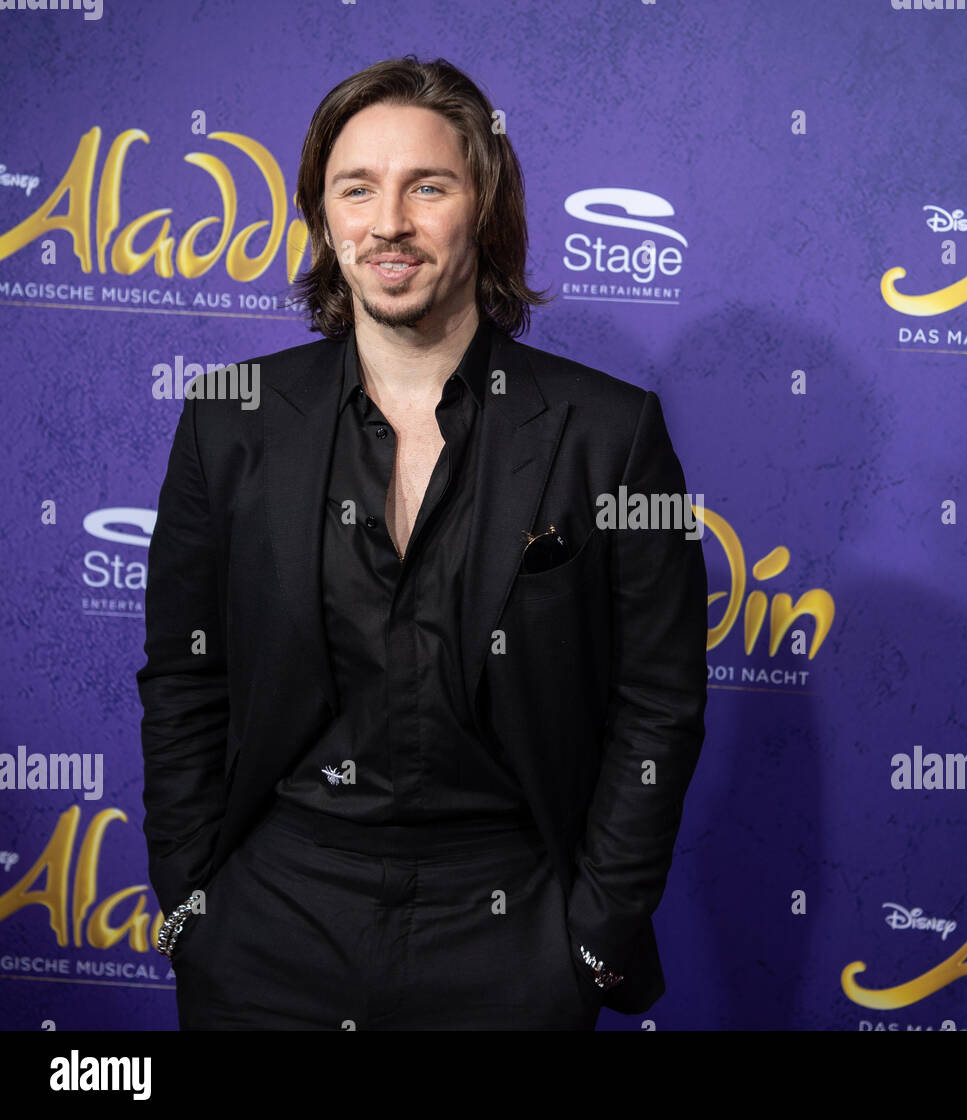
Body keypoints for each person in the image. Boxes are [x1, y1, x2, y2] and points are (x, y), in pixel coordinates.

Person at [136, 55, 707, 1030]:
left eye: (426, 186)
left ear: (486, 210)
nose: (387, 222)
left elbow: (658, 702)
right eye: (355, 188)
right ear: (323, 214)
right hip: (269, 928)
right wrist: (194, 901)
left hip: (509, 931)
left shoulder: (611, 432)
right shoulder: (229, 417)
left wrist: (592, 934)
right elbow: (185, 677)